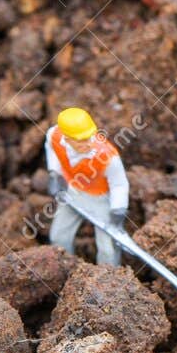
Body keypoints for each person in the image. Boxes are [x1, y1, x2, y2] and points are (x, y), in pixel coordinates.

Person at [45, 106, 128, 266]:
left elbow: (119, 184)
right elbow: (51, 149)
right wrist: (54, 173)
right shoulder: (54, 135)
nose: (88, 142)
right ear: (67, 138)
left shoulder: (107, 156)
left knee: (108, 249)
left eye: (89, 137)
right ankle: (66, 268)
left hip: (101, 200)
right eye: (81, 139)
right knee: (58, 237)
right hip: (73, 193)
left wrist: (118, 209)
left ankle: (108, 281)